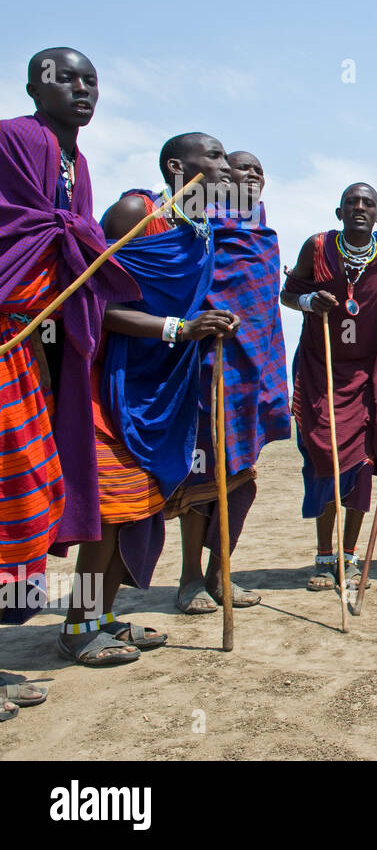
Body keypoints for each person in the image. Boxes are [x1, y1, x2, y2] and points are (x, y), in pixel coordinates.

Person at [58, 132, 239, 664]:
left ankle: (104, 617)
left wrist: (208, 324)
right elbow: (91, 303)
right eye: (215, 157)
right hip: (113, 383)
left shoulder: (204, 232)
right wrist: (179, 329)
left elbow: (185, 305)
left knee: (138, 509)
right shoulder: (137, 213)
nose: (226, 167)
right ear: (177, 167)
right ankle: (76, 627)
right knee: (110, 510)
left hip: (164, 388)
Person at [0, 48, 138, 638]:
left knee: (37, 489)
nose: (85, 90)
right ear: (35, 87)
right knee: (14, 485)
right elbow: (18, 232)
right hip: (10, 337)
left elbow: (75, 249)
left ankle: (77, 623)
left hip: (50, 349)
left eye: (93, 81)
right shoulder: (15, 140)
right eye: (69, 80)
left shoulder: (77, 164)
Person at [166, 149, 290, 613]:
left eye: (260, 168)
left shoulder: (264, 232)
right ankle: (189, 579)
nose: (253, 173)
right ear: (220, 177)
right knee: (204, 474)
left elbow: (266, 309)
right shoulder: (199, 224)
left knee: (242, 476)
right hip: (210, 363)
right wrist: (199, 317)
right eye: (243, 167)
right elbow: (181, 286)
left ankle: (222, 572)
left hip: (254, 370)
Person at [282, 183, 377, 592]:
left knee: (361, 467)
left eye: (368, 204)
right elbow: (289, 292)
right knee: (324, 464)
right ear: (339, 212)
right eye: (352, 202)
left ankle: (349, 558)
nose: (359, 208)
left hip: (367, 377)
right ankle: (322, 557)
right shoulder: (317, 247)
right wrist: (308, 302)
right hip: (322, 369)